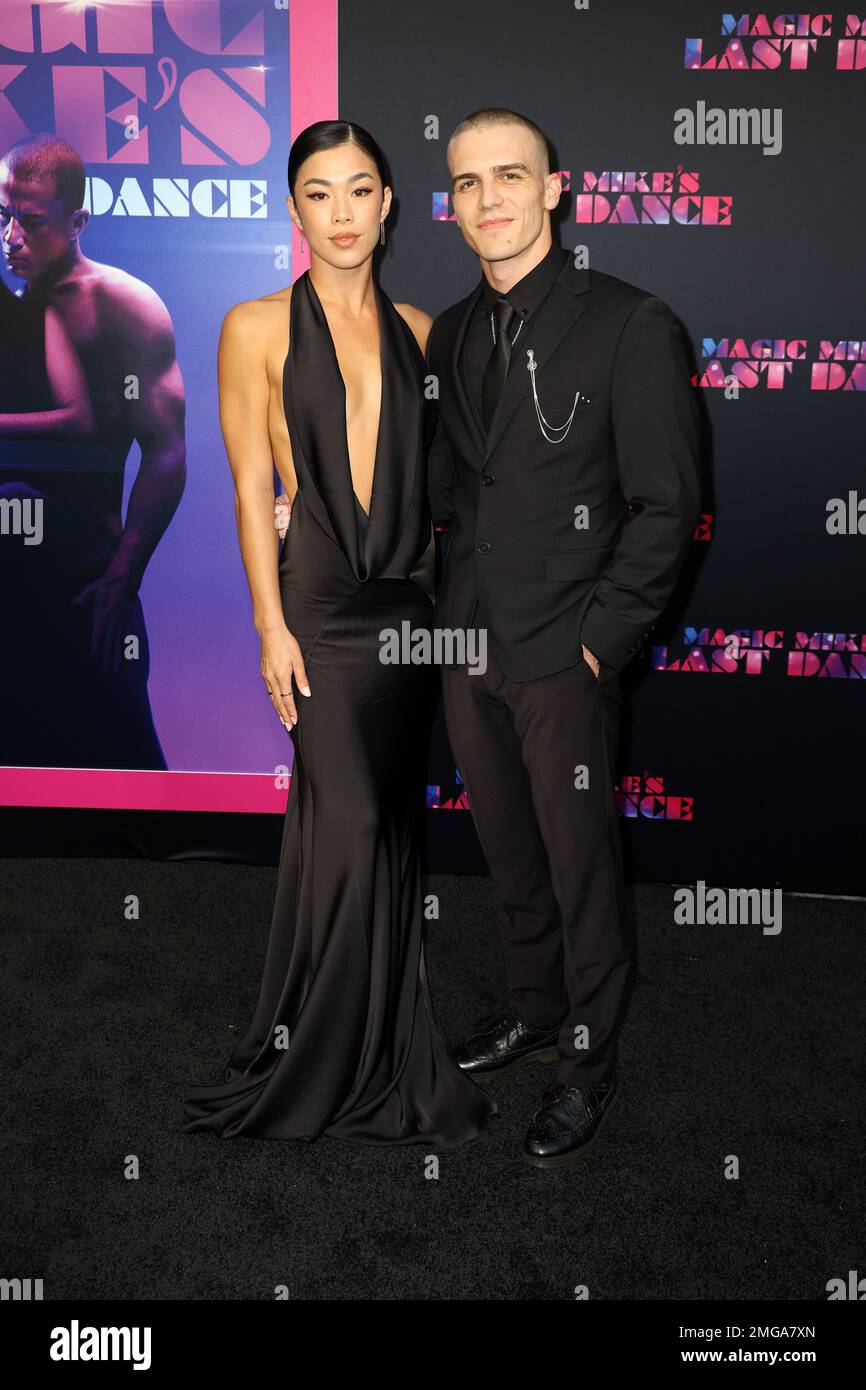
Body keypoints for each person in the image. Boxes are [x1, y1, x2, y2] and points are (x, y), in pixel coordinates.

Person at [183, 121, 498, 1146]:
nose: (342, 213)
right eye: (318, 194)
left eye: (359, 190)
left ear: (391, 201)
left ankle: (378, 1041)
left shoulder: (419, 327)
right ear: (294, 208)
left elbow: (453, 474)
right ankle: (321, 1057)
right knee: (353, 820)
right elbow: (242, 482)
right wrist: (267, 625)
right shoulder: (253, 326)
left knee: (382, 825)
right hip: (315, 608)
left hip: (407, 609)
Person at [426, 108, 702, 1168]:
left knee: (582, 869)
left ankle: (586, 1064)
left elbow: (666, 507)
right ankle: (534, 1012)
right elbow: (451, 487)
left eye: (510, 176)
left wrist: (597, 643)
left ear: (555, 189)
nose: (488, 198)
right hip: (469, 648)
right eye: (466, 183)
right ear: (449, 205)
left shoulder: (628, 322)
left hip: (563, 655)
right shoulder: (450, 332)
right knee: (508, 853)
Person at [0, 133, 184, 769]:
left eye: (31, 222)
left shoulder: (122, 303)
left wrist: (122, 575)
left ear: (76, 221)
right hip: (10, 587)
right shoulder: (19, 309)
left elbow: (165, 451)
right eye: (2, 218)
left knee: (122, 783)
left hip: (86, 581)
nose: (11, 238)